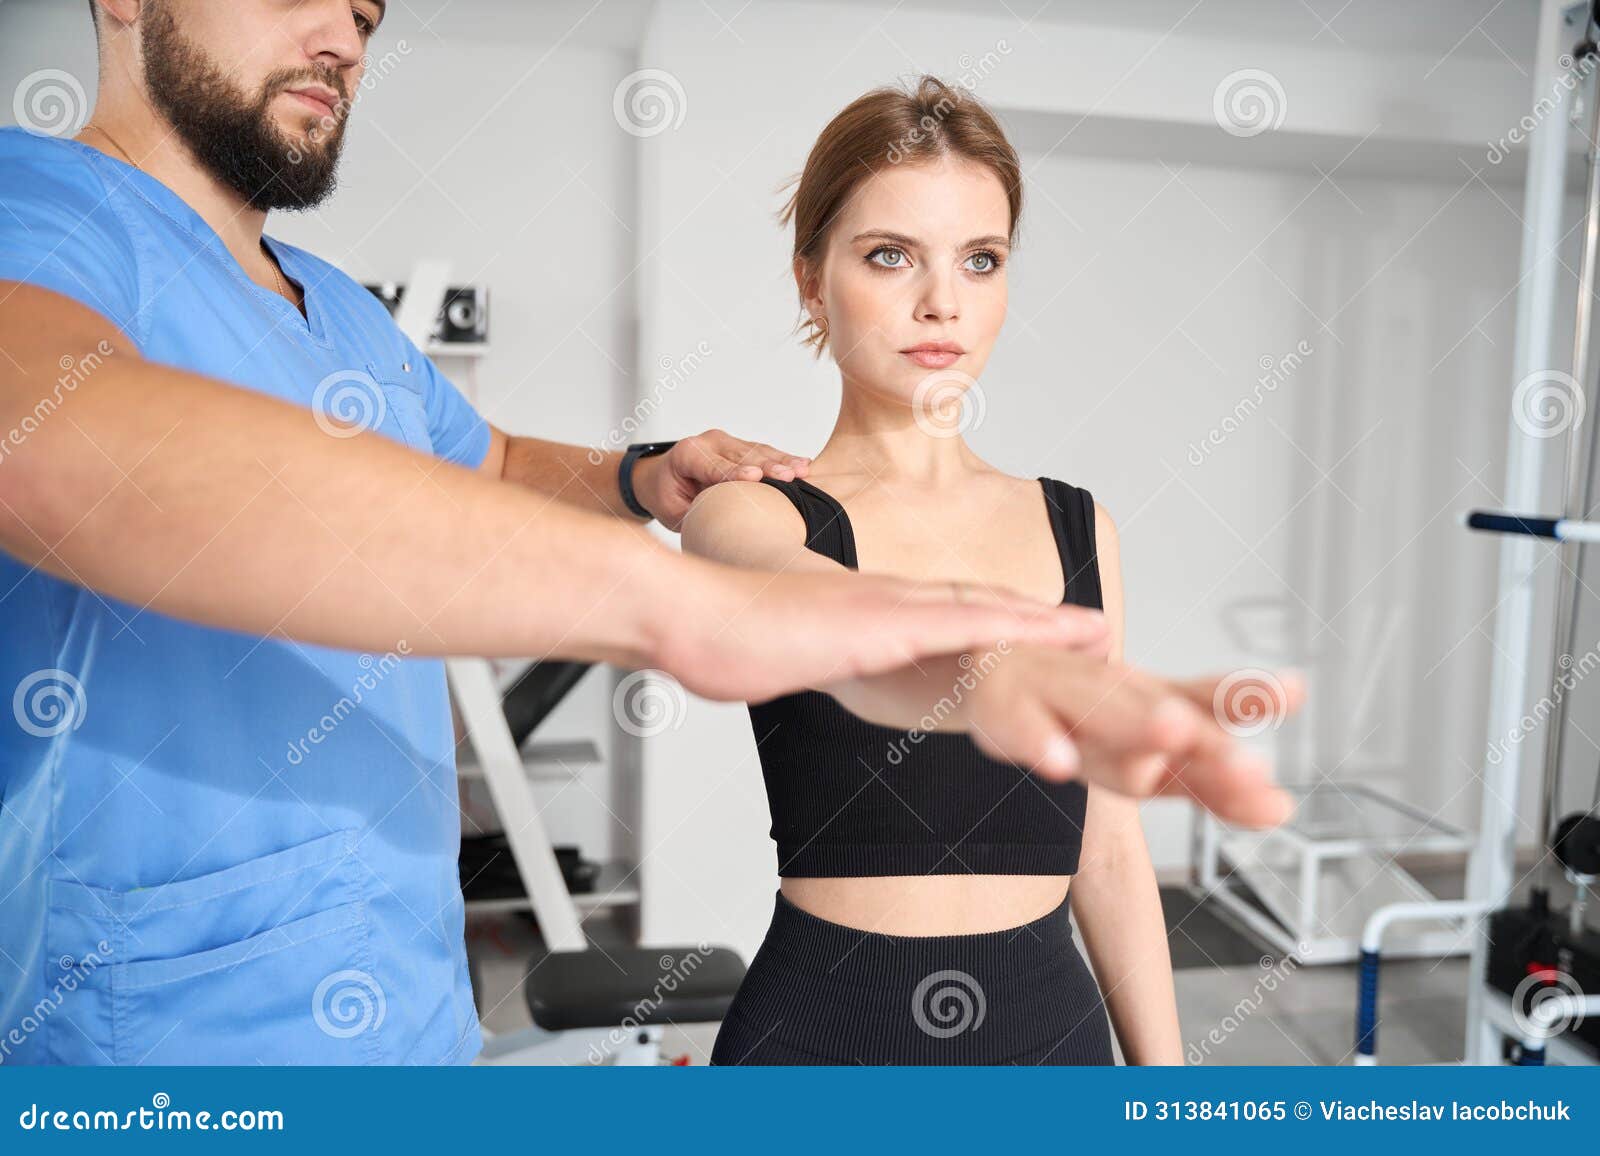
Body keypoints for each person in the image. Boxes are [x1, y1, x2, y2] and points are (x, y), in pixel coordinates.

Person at [0, 2, 1301, 1065]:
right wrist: (704, 606)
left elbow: (490, 461)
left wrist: (637, 473)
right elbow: (46, 439)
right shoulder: (42, 218)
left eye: (366, 3)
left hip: (406, 1011)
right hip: (163, 1045)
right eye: (891, 255)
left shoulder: (331, 315)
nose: (344, 27)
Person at [685, 77, 1256, 1065]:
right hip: (823, 1041)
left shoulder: (1077, 527)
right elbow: (789, 590)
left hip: (1049, 1034)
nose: (941, 301)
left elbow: (1109, 846)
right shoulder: (751, 511)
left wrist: (1169, 1089)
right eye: (890, 256)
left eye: (980, 260)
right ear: (810, 279)